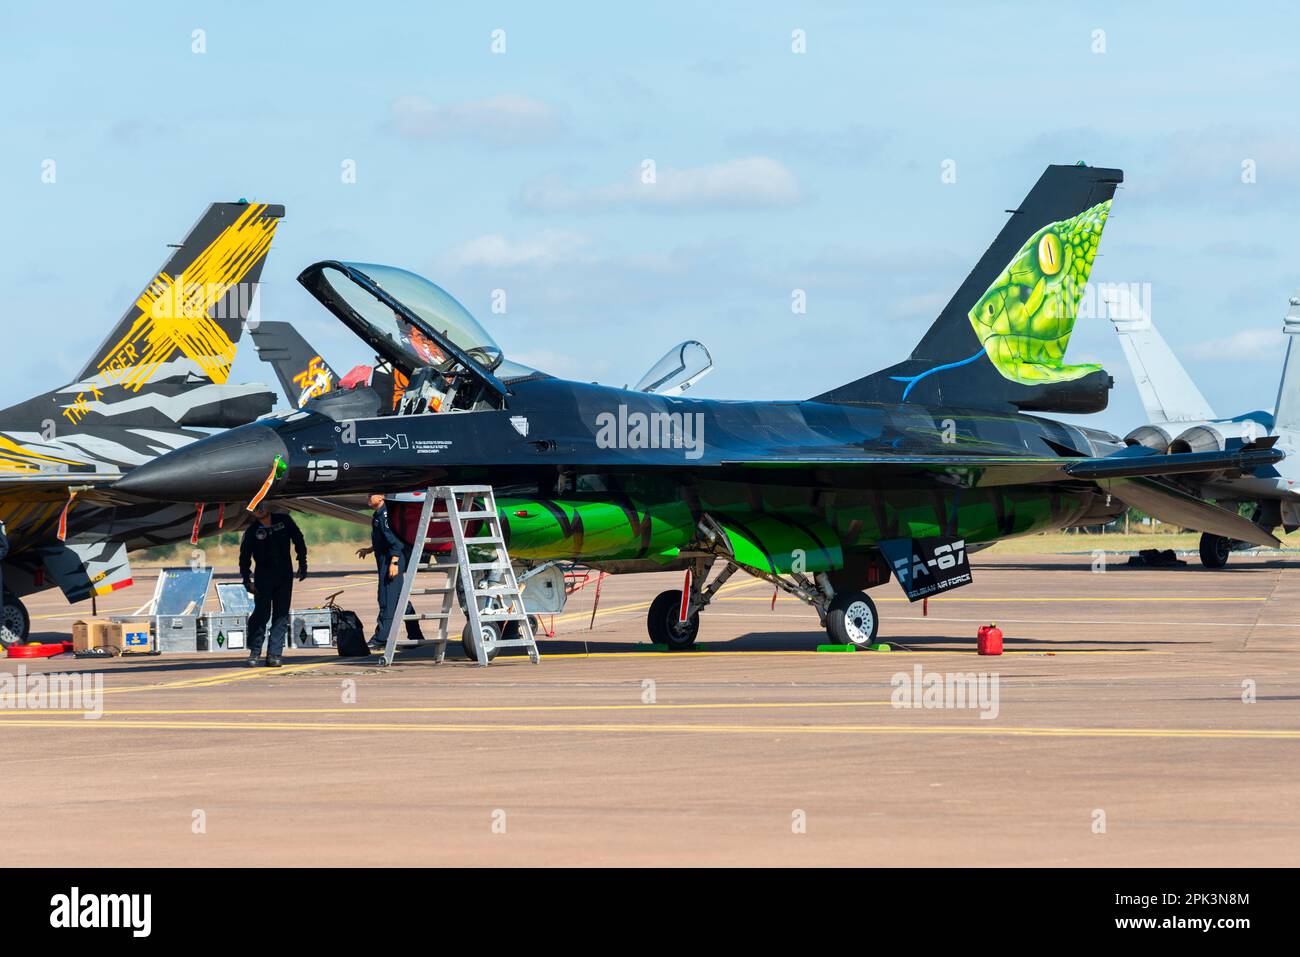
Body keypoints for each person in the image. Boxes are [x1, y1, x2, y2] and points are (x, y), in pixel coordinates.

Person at [239, 502, 307, 667]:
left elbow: (298, 539)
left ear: (267, 507)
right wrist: (247, 579)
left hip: (284, 575)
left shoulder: (284, 521)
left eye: (261, 506)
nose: (259, 510)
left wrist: (302, 563)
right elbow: (244, 556)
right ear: (252, 513)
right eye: (255, 509)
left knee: (281, 615)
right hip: (263, 577)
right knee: (261, 614)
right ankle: (255, 652)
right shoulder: (252, 531)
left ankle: (274, 655)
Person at [357, 493, 425, 649]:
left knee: (387, 598)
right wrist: (369, 549)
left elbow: (395, 541)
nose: (368, 498)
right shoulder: (379, 514)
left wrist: (394, 562)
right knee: (400, 599)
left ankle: (382, 638)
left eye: (371, 495)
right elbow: (383, 538)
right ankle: (415, 635)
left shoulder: (385, 515)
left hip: (391, 560)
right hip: (387, 558)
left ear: (381, 497)